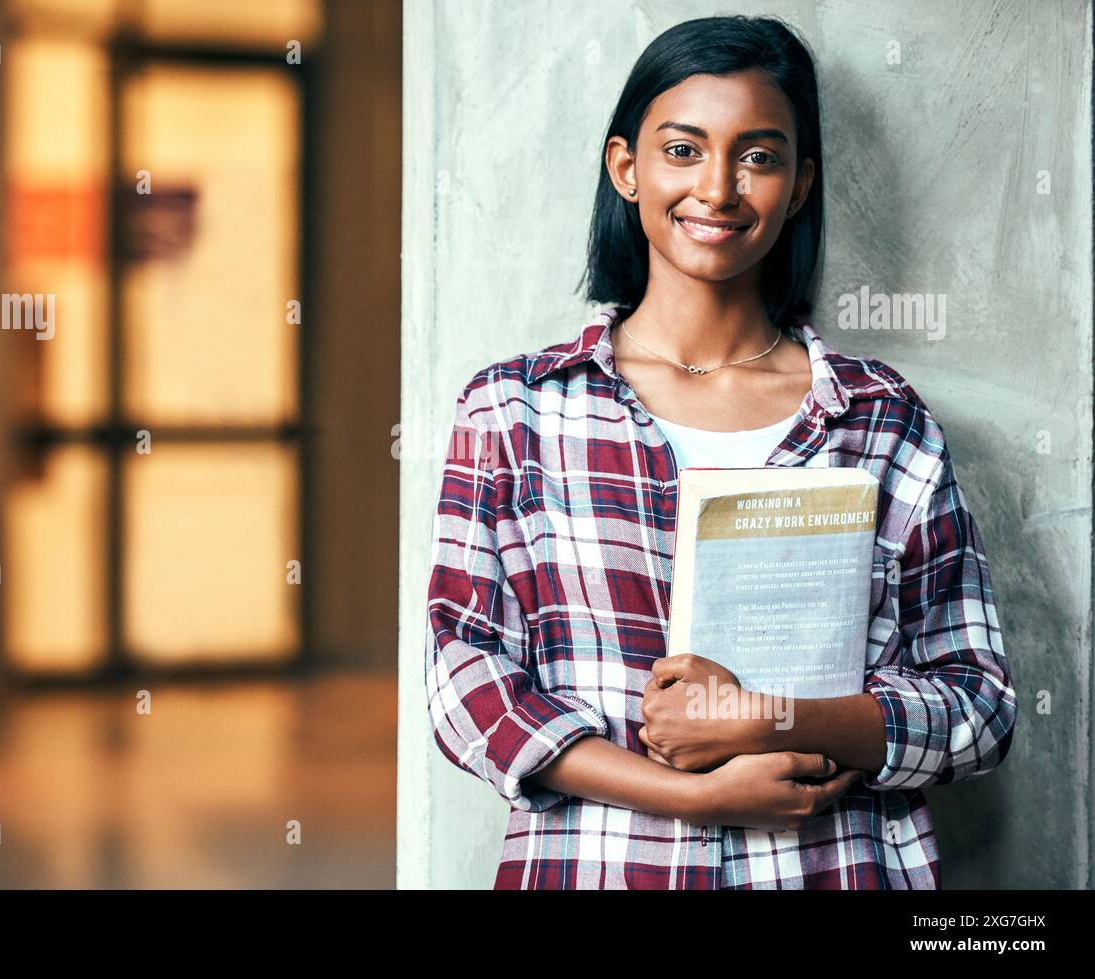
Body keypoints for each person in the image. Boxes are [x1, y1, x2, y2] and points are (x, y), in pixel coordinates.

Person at [422, 14, 1016, 889]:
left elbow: (980, 704)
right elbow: (464, 684)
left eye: (760, 156)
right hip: (598, 866)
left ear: (802, 184)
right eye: (684, 150)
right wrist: (689, 794)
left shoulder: (879, 420)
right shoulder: (516, 409)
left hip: (832, 868)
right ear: (627, 167)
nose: (721, 188)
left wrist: (769, 722)